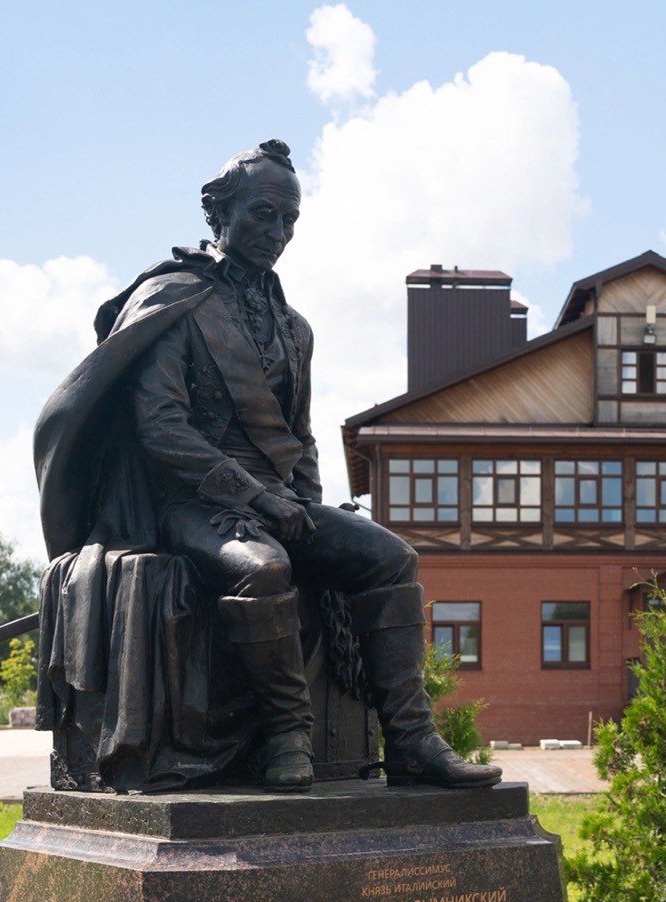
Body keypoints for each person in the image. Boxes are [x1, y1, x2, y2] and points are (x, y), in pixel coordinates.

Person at [34, 140, 499, 793]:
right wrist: (255, 497)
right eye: (263, 215)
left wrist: (306, 503)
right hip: (193, 505)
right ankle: (288, 733)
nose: (277, 233)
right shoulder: (175, 302)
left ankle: (413, 740)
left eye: (289, 220)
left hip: (277, 502)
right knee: (265, 567)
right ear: (220, 215)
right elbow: (161, 426)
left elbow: (300, 434)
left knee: (391, 557)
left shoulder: (296, 327)